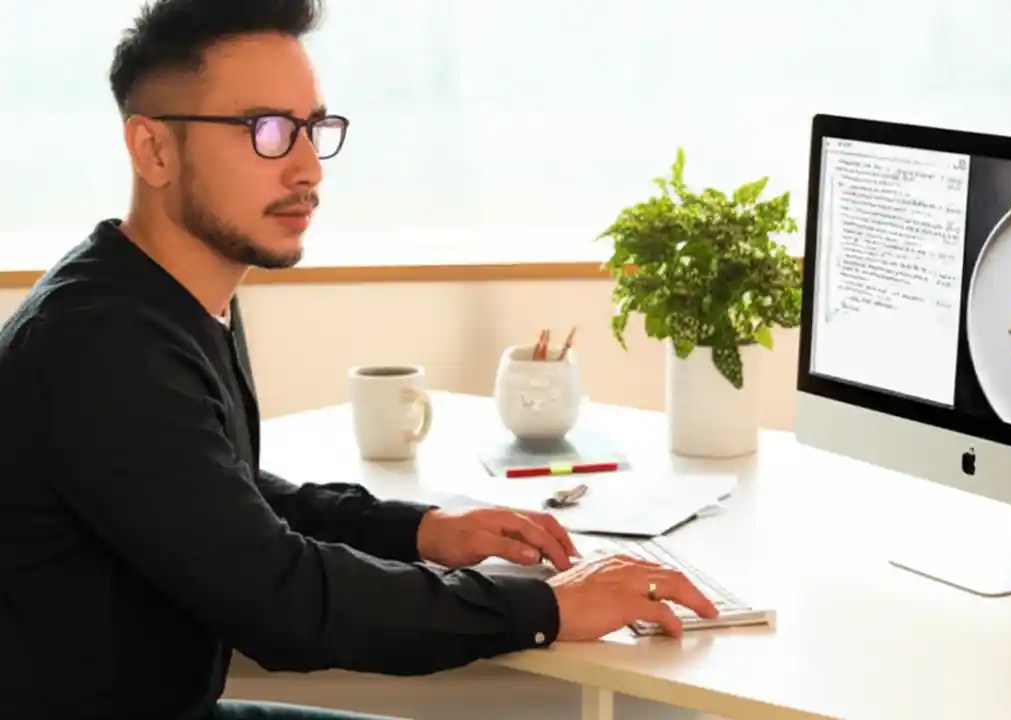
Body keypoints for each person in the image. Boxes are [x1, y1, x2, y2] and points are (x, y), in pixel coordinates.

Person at [0, 1, 718, 718]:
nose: (308, 167)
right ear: (153, 149)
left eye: (312, 129)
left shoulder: (172, 298)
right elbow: (284, 601)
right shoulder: (100, 345)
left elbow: (223, 497)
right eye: (266, 130)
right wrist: (546, 607)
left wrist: (421, 529)